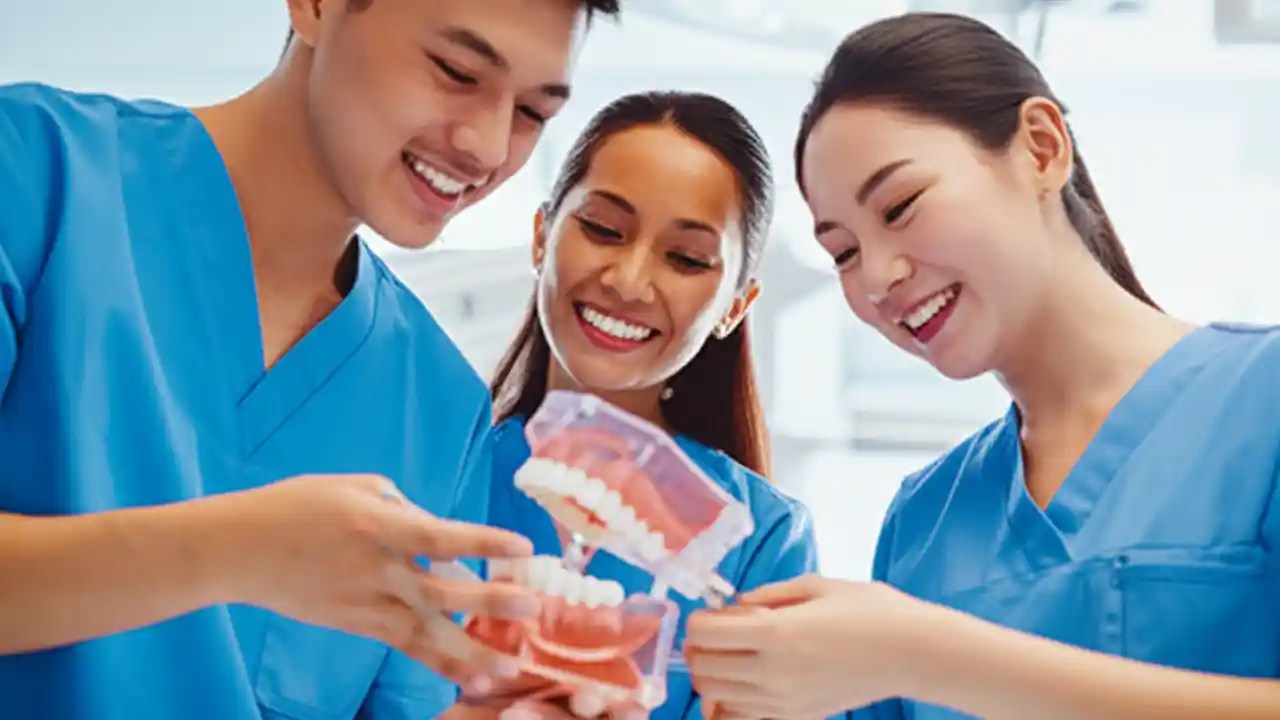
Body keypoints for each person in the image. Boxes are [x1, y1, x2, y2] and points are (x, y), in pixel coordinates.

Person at [0, 0, 622, 718]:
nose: (486, 146)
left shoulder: (441, 406)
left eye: (532, 113)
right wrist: (236, 552)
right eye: (456, 71)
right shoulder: (35, 178)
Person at [684, 12, 1280, 720]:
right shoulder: (923, 520)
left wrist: (930, 658)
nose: (876, 276)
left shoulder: (1261, 400)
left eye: (900, 206)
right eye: (843, 252)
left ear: (1041, 148)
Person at [460, 91, 819, 720]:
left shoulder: (763, 541)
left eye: (686, 258)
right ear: (542, 236)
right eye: (603, 229)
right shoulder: (434, 473)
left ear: (735, 307)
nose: (628, 281)